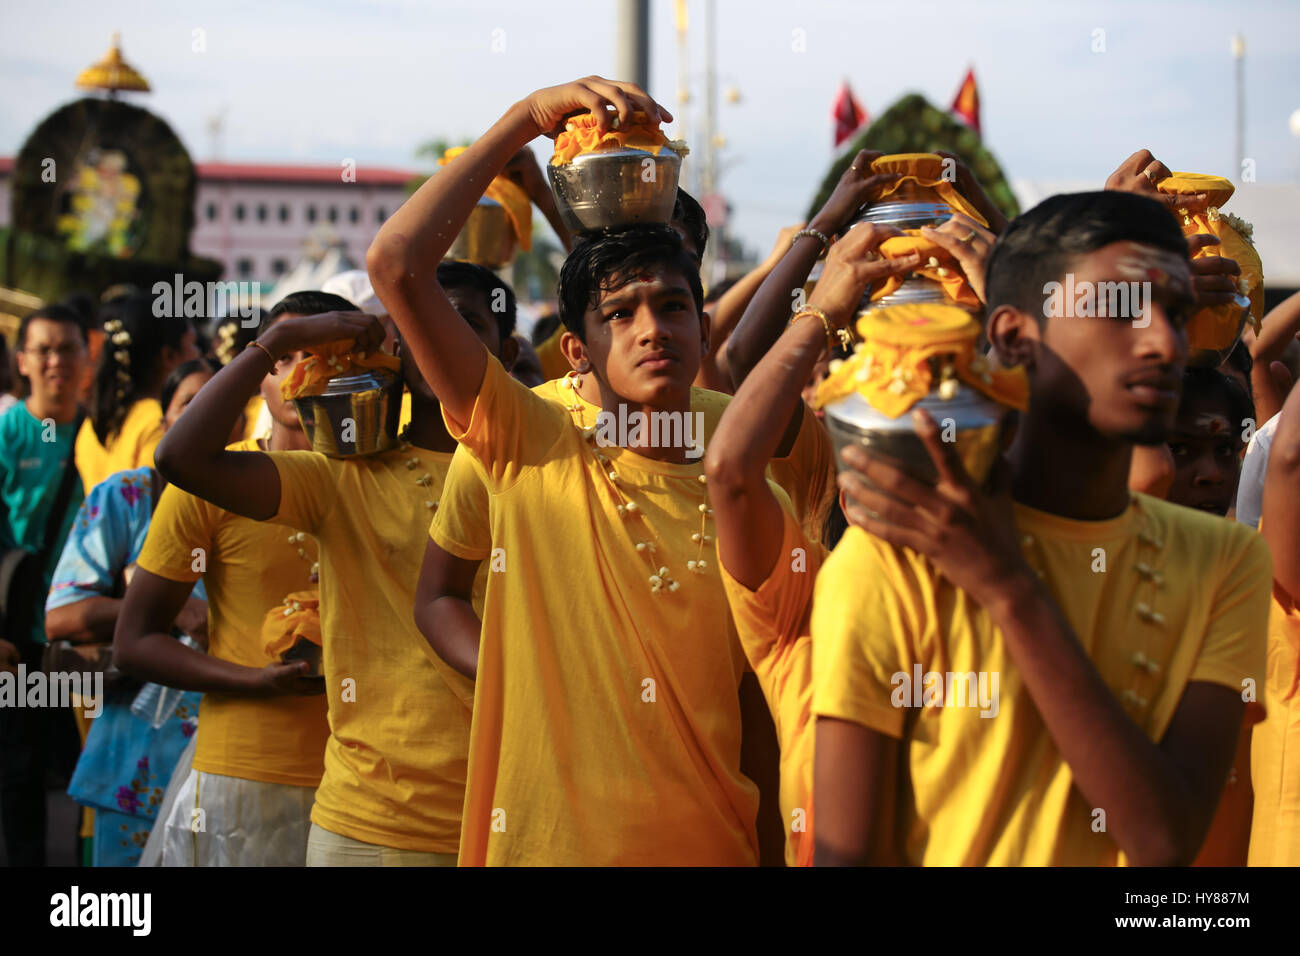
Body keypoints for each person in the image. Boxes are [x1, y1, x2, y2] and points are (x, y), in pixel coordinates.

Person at [368, 75, 794, 866]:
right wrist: (526, 120)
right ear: (577, 352)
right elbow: (395, 265)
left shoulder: (744, 471)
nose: (650, 329)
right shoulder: (530, 441)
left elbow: (759, 697)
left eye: (671, 307)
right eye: (619, 314)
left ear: (703, 331)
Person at [811, 190, 1272, 866]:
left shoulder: (1225, 560)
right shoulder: (898, 558)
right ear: (1011, 337)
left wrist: (1010, 590)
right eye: (1118, 308)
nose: (1163, 341)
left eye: (1177, 313)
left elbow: (1163, 840)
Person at [152, 262, 518, 866]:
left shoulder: (544, 471)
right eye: (425, 322)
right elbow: (182, 457)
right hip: (369, 827)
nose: (445, 337)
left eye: (469, 323)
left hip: (519, 811)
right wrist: (278, 343)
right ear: (396, 348)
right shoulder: (341, 477)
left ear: (508, 348)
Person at [113, 292, 346, 866]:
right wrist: (251, 680)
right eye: (285, 358)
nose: (302, 376)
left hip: (367, 785)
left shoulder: (384, 479)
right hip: (241, 775)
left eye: (326, 358)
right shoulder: (209, 483)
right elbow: (135, 642)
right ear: (258, 377)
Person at [43, 358, 225, 866]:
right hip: (137, 763)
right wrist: (171, 609)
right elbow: (61, 615)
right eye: (190, 401)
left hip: (228, 764)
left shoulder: (264, 499)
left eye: (221, 399)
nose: (206, 412)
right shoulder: (127, 499)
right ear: (163, 419)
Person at [0, 303, 90, 866]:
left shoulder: (102, 431)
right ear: (22, 361)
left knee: (87, 766)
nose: (56, 360)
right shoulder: (7, 434)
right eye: (44, 349)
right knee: (19, 771)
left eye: (68, 348)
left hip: (82, 639)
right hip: (17, 642)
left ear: (88, 358)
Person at [76, 292, 199, 494]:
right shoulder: (160, 422)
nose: (198, 354)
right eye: (192, 344)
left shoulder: (94, 422)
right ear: (168, 356)